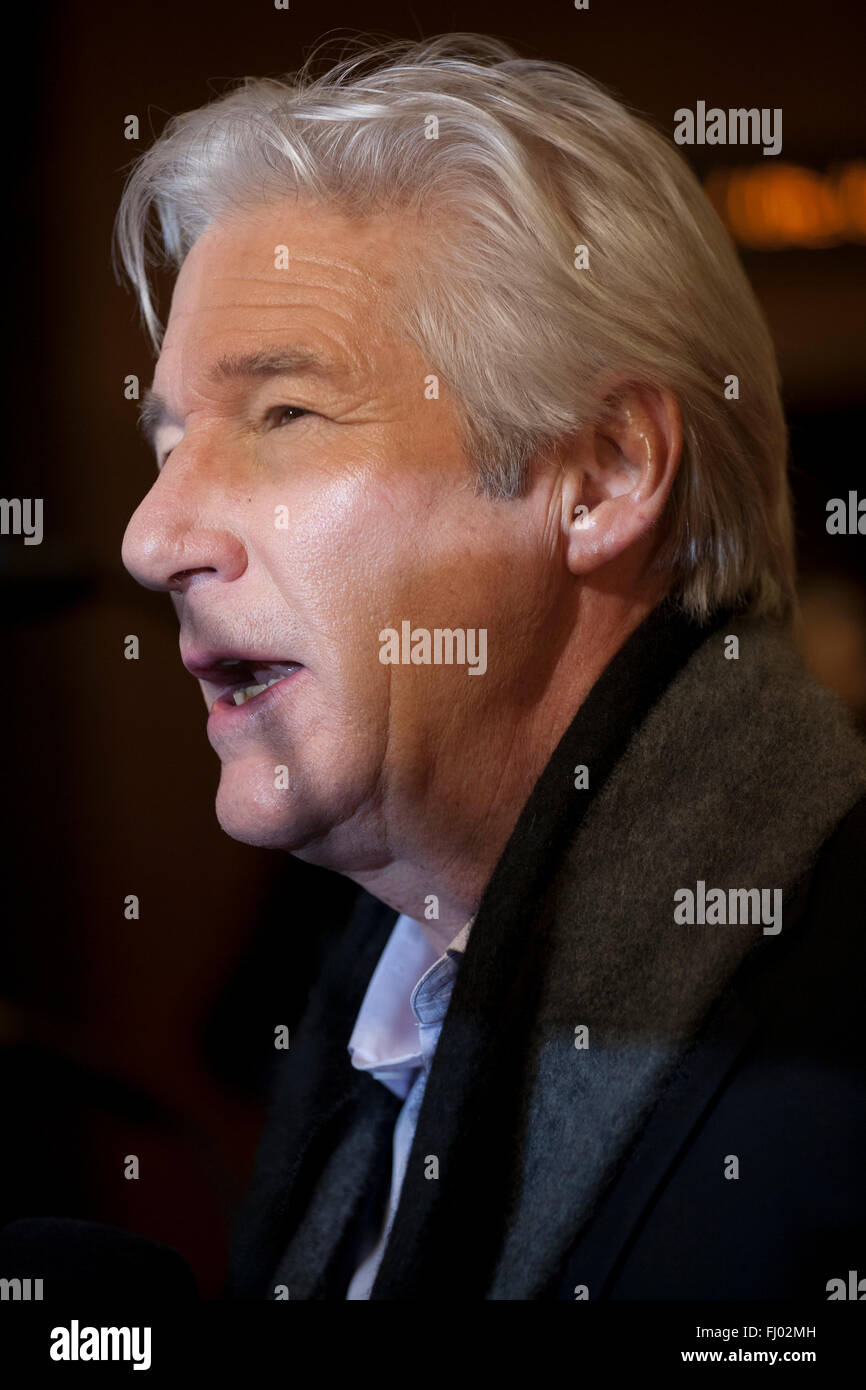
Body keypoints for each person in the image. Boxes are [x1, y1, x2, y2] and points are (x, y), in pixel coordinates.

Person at [118, 35, 866, 1300]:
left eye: (282, 416)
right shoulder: (376, 996)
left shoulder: (832, 1052)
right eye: (169, 440)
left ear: (603, 474)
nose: (153, 538)